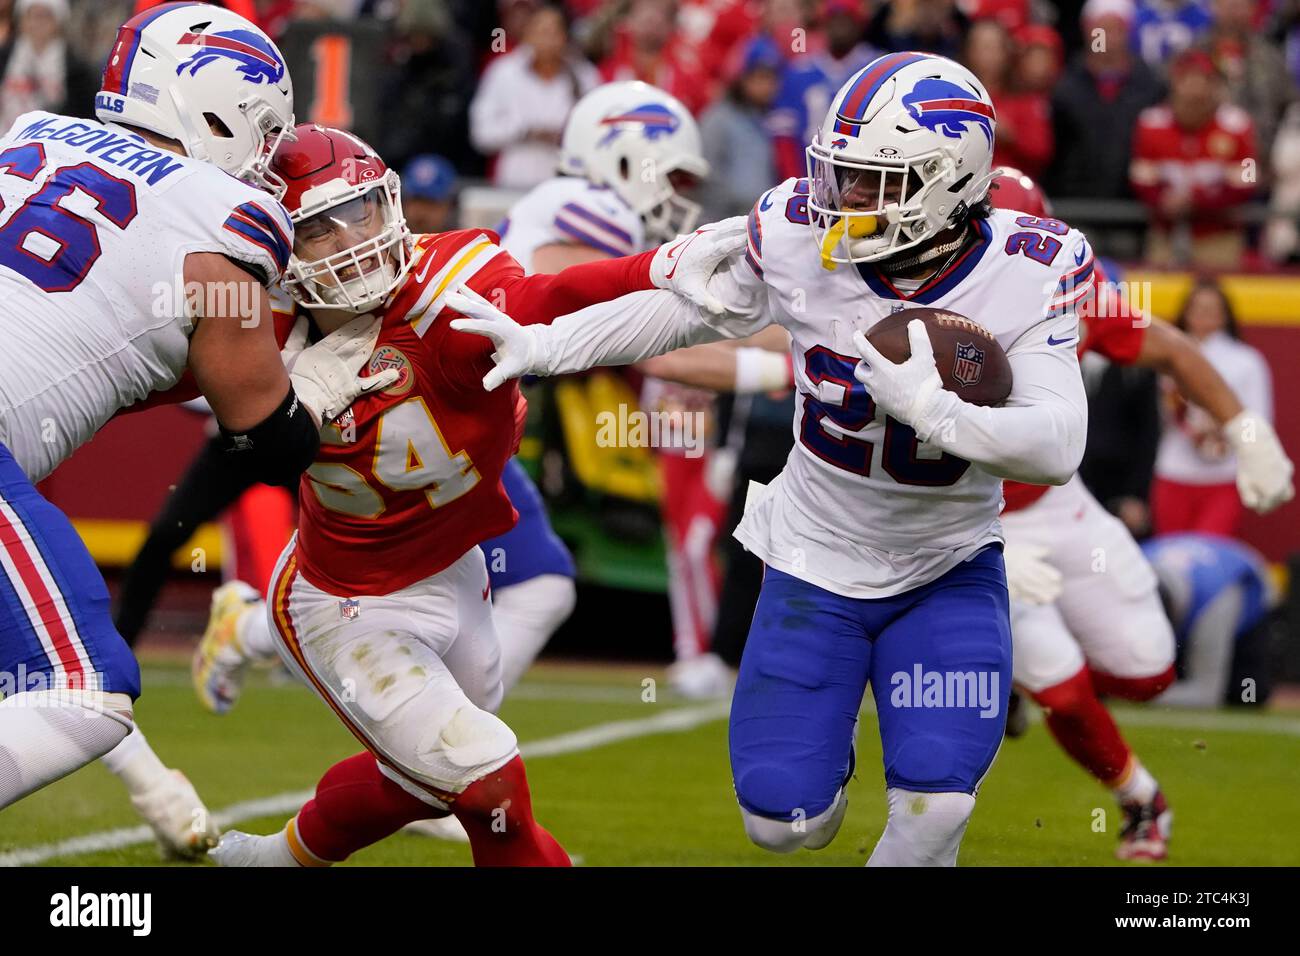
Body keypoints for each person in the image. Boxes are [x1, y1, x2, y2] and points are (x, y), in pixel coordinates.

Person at [452, 52, 1094, 866]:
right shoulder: (797, 230)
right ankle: (829, 757)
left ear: (949, 179)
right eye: (841, 174)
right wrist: (549, 344)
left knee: (934, 805)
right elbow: (685, 314)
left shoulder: (1030, 266)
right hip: (811, 560)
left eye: (872, 182)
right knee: (783, 824)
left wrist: (935, 409)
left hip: (947, 564)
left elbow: (1058, 443)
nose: (843, 199)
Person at [188, 123, 742, 867]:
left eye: (361, 213)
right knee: (484, 777)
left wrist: (660, 265)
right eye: (320, 229)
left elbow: (549, 294)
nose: (352, 239)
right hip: (343, 595)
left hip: (455, 567)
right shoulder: (258, 325)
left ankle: (271, 861)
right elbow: (165, 387)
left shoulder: (448, 282)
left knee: (424, 780)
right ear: (281, 249)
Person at [0, 2, 387, 859]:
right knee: (86, 689)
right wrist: (322, 369)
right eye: (264, 127)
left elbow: (110, 343)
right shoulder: (225, 214)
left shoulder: (32, 134)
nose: (266, 154)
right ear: (215, 108)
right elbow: (267, 436)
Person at [988, 170, 1292, 861]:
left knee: (1148, 666)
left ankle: (1004, 672)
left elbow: (1174, 350)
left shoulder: (1067, 295)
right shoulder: (910, 301)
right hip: (964, 522)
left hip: (1058, 502)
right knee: (1062, 690)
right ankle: (1138, 799)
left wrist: (1249, 436)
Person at [1152, 277, 1277, 534]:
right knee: (1172, 557)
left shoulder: (1246, 361)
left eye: (1211, 310)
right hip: (1173, 470)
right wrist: (1176, 408)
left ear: (1224, 316)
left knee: (1208, 554)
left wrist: (1220, 427)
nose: (1203, 317)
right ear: (1185, 312)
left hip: (1222, 475)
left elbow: (1259, 419)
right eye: (1197, 309)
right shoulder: (1164, 356)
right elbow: (1151, 419)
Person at [1130, 48, 1257, 268]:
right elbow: (1141, 178)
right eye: (1188, 79)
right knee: (1157, 296)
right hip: (1165, 233)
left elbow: (1246, 181)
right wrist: (1162, 200)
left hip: (1218, 235)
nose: (1195, 89)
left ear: (1215, 85)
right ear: (1175, 83)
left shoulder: (1236, 124)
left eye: (1204, 80)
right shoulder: (1151, 123)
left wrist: (1197, 201)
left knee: (1218, 295)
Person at [469, 1, 600, 189]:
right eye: (540, 31)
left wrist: (564, 135)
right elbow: (481, 133)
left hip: (566, 183)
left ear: (564, 36)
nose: (547, 40)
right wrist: (525, 131)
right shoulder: (503, 73)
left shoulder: (585, 76)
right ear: (527, 34)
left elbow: (596, 133)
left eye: (553, 32)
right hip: (513, 183)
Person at [1144, 532, 1280, 709]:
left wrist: (1134, 695)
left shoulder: (1214, 600)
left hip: (1243, 594)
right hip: (1202, 585)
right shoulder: (1131, 569)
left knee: (1248, 696)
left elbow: (1206, 694)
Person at [400, 153, 459, 235]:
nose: (421, 213)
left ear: (449, 206)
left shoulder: (467, 246)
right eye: (416, 200)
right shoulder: (385, 243)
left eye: (430, 202)